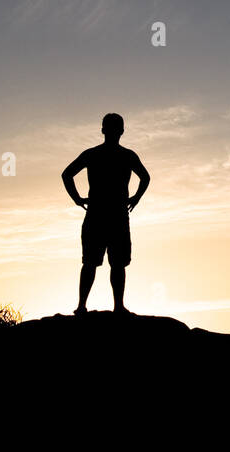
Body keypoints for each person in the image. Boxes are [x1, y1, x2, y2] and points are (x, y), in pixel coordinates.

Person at [61, 113, 150, 316]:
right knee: (105, 263)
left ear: (104, 130)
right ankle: (103, 306)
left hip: (103, 215)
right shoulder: (125, 155)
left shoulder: (95, 154)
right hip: (108, 215)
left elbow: (67, 174)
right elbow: (145, 177)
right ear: (121, 131)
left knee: (102, 263)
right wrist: (136, 198)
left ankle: (93, 306)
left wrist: (77, 199)